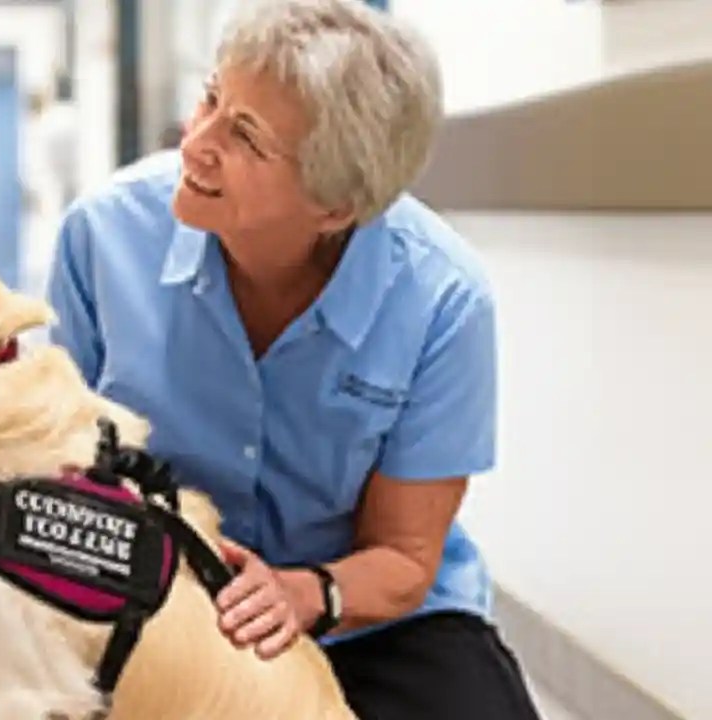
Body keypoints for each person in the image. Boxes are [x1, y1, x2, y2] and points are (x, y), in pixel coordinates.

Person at [42, 1, 543, 718]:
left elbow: (403, 557)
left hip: (368, 619)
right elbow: (63, 471)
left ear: (336, 204)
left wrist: (307, 592)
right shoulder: (101, 239)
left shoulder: (442, 299)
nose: (197, 144)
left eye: (244, 135)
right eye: (212, 98)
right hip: (158, 603)